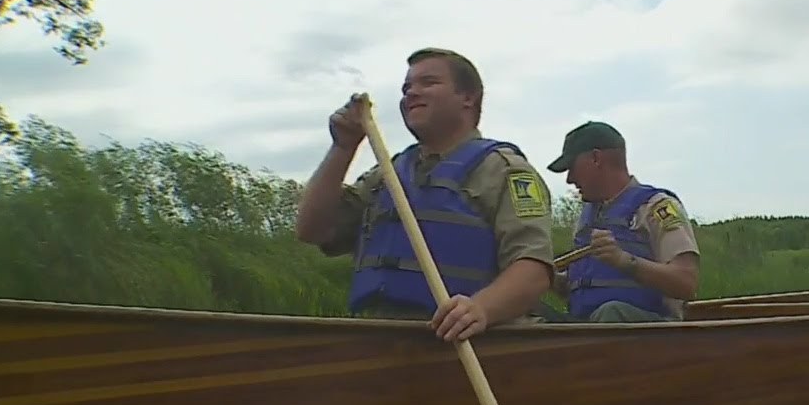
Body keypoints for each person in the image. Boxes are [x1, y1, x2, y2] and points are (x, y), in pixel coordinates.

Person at [294, 47, 555, 342]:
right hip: (384, 340)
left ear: (468, 98)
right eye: (406, 88)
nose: (411, 94)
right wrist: (342, 148)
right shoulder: (387, 175)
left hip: (470, 345)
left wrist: (480, 309)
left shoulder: (505, 172)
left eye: (428, 83)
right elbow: (312, 230)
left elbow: (533, 269)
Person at [544, 121, 699, 322]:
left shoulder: (655, 207)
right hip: (591, 331)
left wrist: (623, 260)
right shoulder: (586, 220)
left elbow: (686, 282)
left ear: (596, 158)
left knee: (611, 313)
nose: (569, 179)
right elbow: (587, 290)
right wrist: (551, 279)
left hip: (651, 336)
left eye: (571, 168)